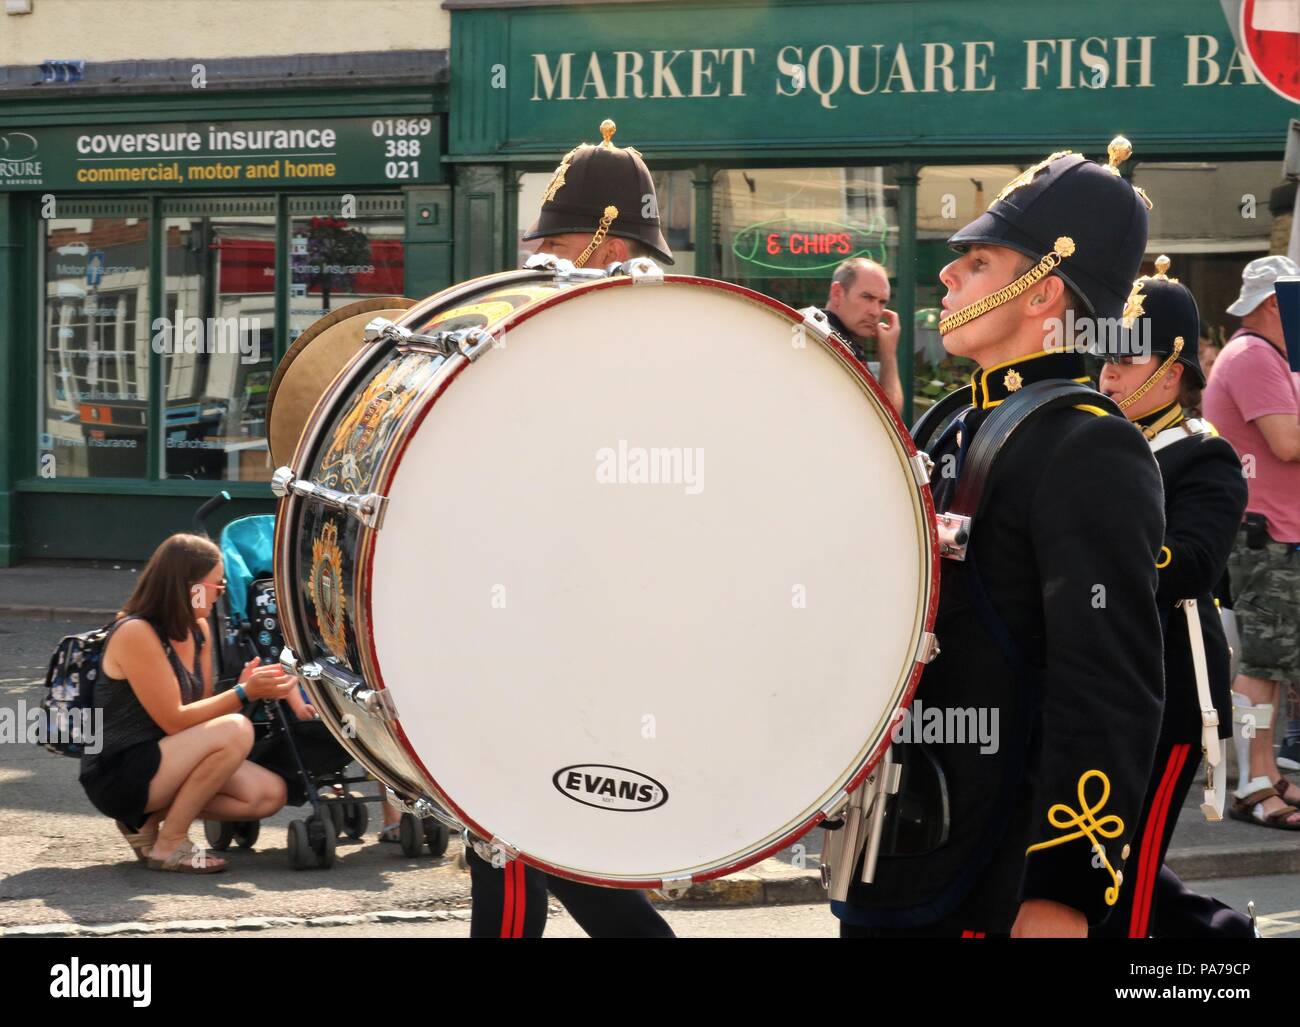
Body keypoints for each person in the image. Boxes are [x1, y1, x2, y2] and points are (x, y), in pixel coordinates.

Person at [829, 139, 1166, 938]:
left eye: (978, 262)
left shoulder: (1090, 446)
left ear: (1043, 292)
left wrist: (1062, 892)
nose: (947, 275)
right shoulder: (949, 421)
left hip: (990, 875)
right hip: (899, 842)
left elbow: (1107, 688)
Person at [471, 119, 676, 938]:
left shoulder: (522, 323)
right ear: (601, 242)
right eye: (632, 252)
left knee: (528, 835)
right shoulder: (552, 333)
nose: (638, 271)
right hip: (531, 627)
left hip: (547, 630)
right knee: (518, 835)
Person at [1091, 256, 1253, 936]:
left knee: (1126, 862)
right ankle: (1219, 940)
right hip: (1091, 681)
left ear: (1175, 370)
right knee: (1095, 857)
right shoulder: (1093, 442)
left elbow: (1188, 565)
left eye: (1129, 359)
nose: (1109, 372)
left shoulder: (1202, 456)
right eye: (1106, 357)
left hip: (1169, 685)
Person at [80, 533, 299, 872]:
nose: (221, 593)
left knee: (269, 794)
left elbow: (201, 716)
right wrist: (244, 694)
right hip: (120, 772)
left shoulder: (199, 630)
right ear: (188, 586)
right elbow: (175, 721)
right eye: (216, 585)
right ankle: (170, 843)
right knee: (237, 729)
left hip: (165, 759)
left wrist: (243, 688)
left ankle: (146, 822)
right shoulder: (136, 632)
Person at [1201, 255, 1300, 829]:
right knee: (1260, 668)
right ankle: (1251, 782)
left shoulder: (1258, 354)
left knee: (1268, 665)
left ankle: (1264, 774)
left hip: (1269, 535)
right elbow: (1287, 442)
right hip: (1265, 538)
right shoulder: (1255, 356)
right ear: (1273, 305)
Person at [822, 257, 904, 413]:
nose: (875, 312)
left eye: (882, 302)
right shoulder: (836, 345)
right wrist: (888, 355)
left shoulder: (811, 331)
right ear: (837, 293)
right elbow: (887, 420)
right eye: (867, 297)